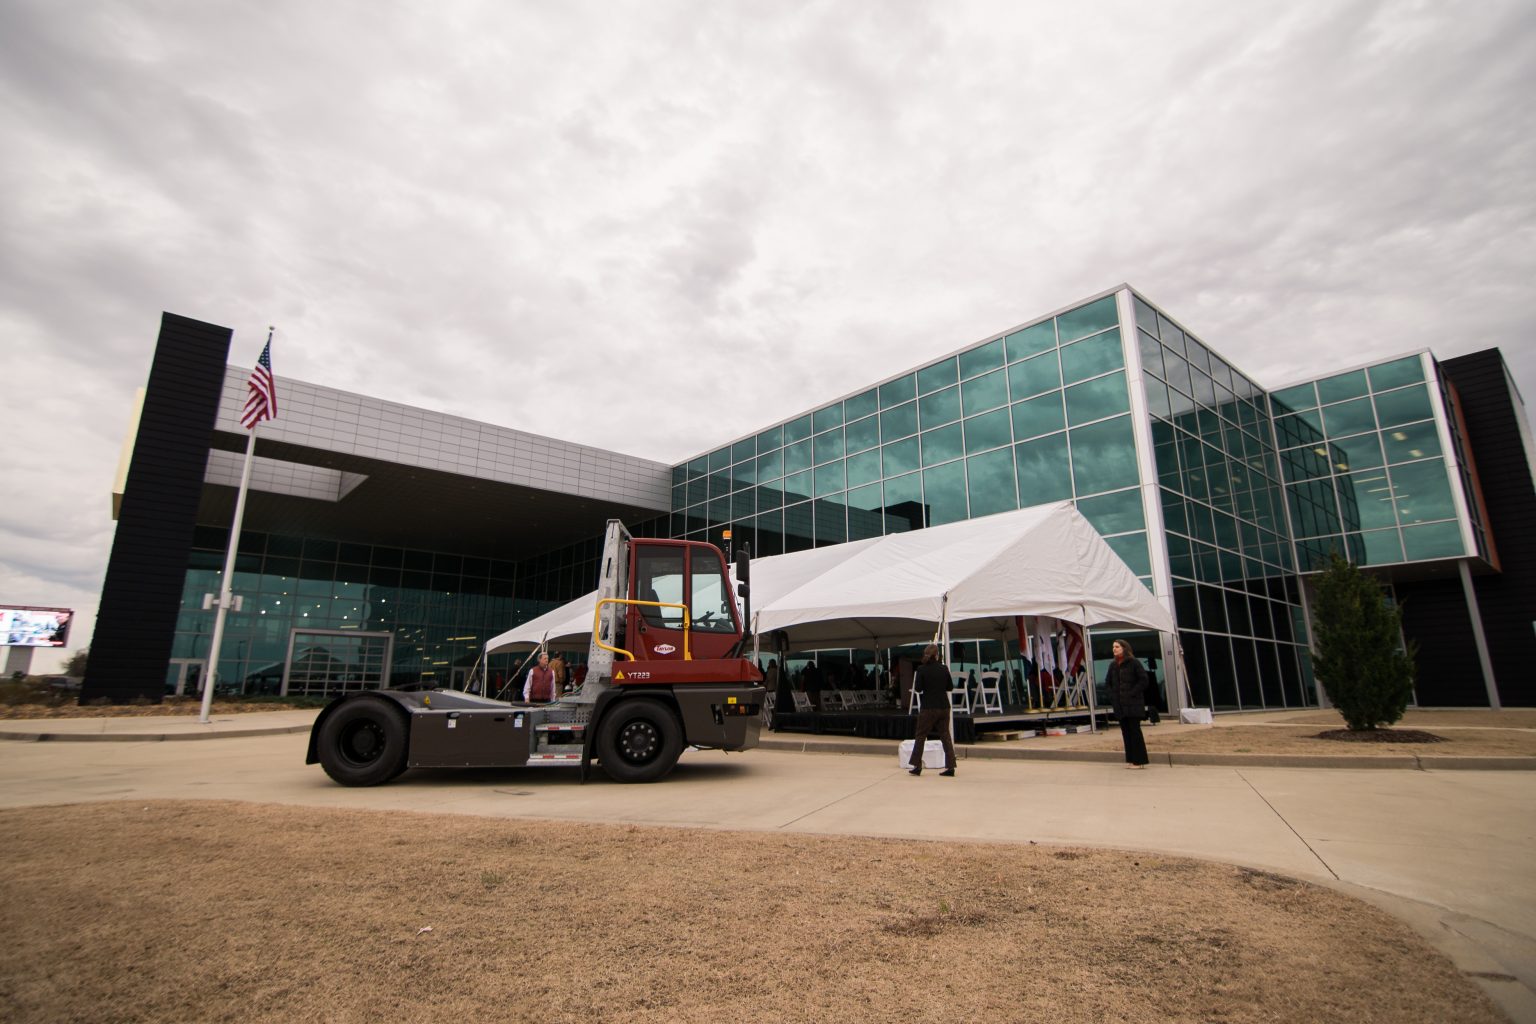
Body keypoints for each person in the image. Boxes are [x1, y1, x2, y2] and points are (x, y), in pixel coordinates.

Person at [906, 644, 956, 777]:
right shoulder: (944, 668)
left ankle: (917, 766)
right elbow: (950, 687)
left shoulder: (922, 669)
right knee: (945, 736)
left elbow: (918, 688)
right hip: (944, 706)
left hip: (928, 707)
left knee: (921, 736)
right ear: (937, 655)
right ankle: (951, 767)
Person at [1105, 638, 1150, 768]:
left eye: (1117, 647)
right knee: (1126, 732)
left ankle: (1139, 760)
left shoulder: (1134, 663)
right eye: (1113, 647)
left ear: (1124, 648)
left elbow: (1143, 680)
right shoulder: (1113, 665)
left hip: (1133, 704)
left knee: (1135, 732)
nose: (1114, 649)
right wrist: (1112, 696)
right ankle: (1131, 759)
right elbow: (1108, 683)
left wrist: (1132, 692)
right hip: (1119, 705)